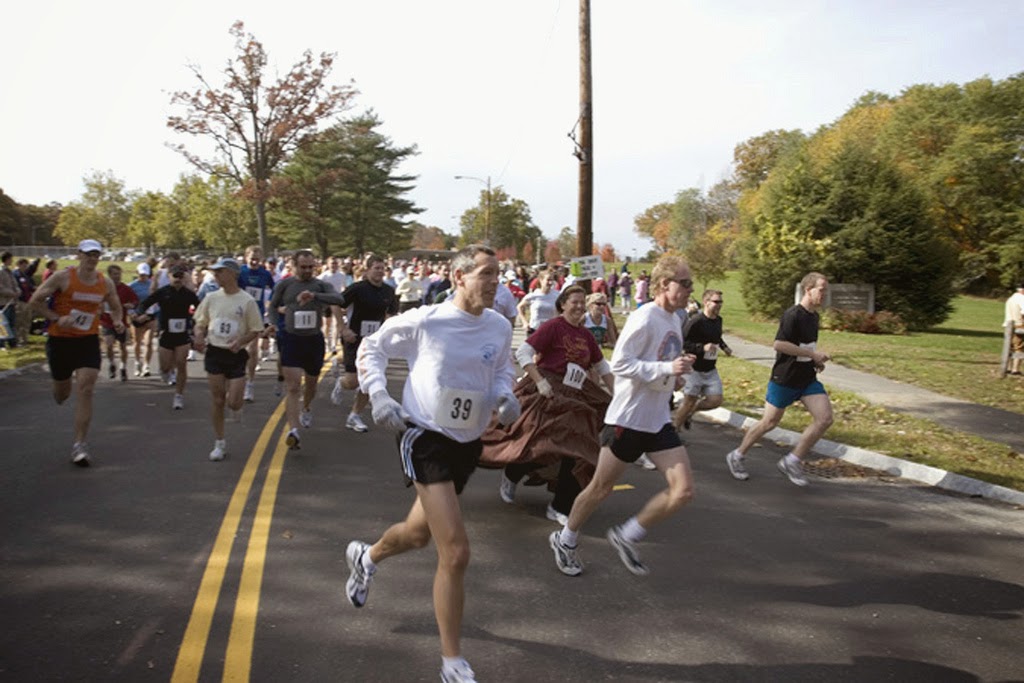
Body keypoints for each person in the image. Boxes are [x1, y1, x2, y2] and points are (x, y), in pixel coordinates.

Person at [343, 245, 518, 683]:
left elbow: (501, 368)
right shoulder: (427, 320)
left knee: (418, 535)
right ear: (459, 278)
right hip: (424, 437)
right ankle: (452, 661)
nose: (495, 281)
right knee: (455, 552)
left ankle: (367, 556)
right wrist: (379, 394)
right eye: (486, 273)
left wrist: (506, 394)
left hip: (467, 443)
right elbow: (371, 347)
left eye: (498, 273)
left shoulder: (498, 325)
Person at [549, 254, 697, 577]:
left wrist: (676, 376)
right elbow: (621, 364)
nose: (689, 289)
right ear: (663, 285)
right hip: (627, 419)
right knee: (599, 488)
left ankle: (627, 535)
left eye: (691, 284)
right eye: (684, 283)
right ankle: (565, 538)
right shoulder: (645, 317)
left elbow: (660, 363)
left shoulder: (675, 319)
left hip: (657, 419)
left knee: (683, 489)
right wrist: (665, 368)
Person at [482, 285, 614, 526]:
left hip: (576, 397)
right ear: (562, 304)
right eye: (574, 301)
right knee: (539, 446)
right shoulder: (553, 327)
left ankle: (560, 506)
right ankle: (513, 473)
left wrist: (619, 397)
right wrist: (540, 381)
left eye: (582, 302)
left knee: (579, 449)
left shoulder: (585, 336)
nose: (579, 306)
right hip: (548, 392)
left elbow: (602, 367)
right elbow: (523, 352)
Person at [725, 272, 833, 486]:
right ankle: (737, 455)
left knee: (825, 418)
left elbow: (805, 347)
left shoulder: (814, 317)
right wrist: (812, 355)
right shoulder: (792, 315)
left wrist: (814, 361)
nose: (824, 294)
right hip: (785, 378)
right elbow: (779, 344)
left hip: (807, 379)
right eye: (821, 290)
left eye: (825, 290)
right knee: (769, 422)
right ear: (808, 289)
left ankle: (792, 461)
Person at [28, 239, 125, 466]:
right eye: (89, 254)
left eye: (96, 255)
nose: (93, 259)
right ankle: (60, 386)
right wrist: (56, 318)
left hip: (87, 341)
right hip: (60, 340)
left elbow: (116, 305)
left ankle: (79, 445)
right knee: (62, 393)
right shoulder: (63, 278)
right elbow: (35, 301)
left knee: (86, 387)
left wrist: (118, 321)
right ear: (79, 254)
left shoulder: (105, 282)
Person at [191, 257, 266, 461]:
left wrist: (240, 342)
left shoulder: (246, 300)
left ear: (233, 274)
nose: (216, 275)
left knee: (233, 402)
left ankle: (237, 407)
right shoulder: (211, 297)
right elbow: (200, 322)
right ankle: (219, 442)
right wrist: (198, 334)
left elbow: (255, 330)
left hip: (235, 355)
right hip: (215, 352)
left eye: (220, 272)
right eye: (214, 272)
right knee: (217, 399)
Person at [270, 250, 338, 449]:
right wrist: (274, 324)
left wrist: (315, 295)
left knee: (311, 385)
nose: (308, 270)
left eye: (311, 267)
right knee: (292, 387)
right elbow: (273, 307)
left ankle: (306, 407)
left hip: (313, 340)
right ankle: (294, 430)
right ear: (294, 266)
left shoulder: (320, 284)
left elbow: (339, 299)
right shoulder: (285, 284)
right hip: (291, 339)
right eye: (303, 267)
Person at [331, 253, 399, 432]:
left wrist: (388, 334)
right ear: (368, 270)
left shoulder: (388, 291)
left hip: (373, 342)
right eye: (376, 268)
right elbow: (335, 304)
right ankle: (341, 382)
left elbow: (391, 315)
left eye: (382, 269)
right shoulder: (357, 289)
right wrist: (342, 328)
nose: (380, 272)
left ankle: (355, 415)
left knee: (368, 379)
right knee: (353, 381)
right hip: (353, 338)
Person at [135, 263, 200, 410]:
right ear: (169, 277)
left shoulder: (188, 294)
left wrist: (197, 324)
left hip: (182, 333)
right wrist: (140, 314)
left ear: (184, 278)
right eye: (174, 276)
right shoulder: (163, 292)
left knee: (181, 363)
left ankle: (179, 396)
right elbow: (145, 304)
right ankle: (166, 372)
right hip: (166, 333)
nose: (177, 279)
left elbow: (200, 308)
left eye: (180, 276)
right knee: (165, 367)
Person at [672, 289, 733, 431]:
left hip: (710, 368)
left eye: (721, 302)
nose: (719, 305)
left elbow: (717, 338)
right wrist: (702, 347)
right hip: (694, 368)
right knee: (688, 401)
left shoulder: (718, 320)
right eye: (716, 302)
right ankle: (674, 430)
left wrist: (724, 347)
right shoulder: (696, 321)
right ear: (706, 302)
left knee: (715, 400)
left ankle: (690, 412)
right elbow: (683, 342)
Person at [238, 246, 276, 403]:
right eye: (252, 258)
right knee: (238, 348)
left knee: (253, 350)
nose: (254, 261)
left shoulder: (265, 274)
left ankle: (250, 383)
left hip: (256, 314)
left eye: (257, 259)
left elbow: (274, 291)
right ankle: (237, 379)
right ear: (246, 257)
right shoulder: (240, 272)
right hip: (239, 314)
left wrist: (270, 305)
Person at [99, 264, 139, 382]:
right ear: (110, 275)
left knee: (123, 346)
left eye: (119, 274)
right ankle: (112, 363)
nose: (118, 276)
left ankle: (123, 367)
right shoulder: (103, 288)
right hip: (106, 321)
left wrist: (131, 305)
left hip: (121, 322)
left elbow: (135, 300)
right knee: (109, 344)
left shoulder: (125, 288)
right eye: (115, 274)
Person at [128, 263, 157, 376]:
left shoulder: (153, 285)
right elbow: (128, 302)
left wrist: (149, 314)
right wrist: (132, 313)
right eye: (141, 274)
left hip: (150, 316)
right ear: (137, 273)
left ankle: (146, 365)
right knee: (137, 342)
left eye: (145, 274)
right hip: (136, 316)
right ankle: (137, 362)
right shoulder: (132, 286)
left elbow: (156, 301)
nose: (143, 276)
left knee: (149, 342)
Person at [318, 256, 347, 353]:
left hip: (336, 301)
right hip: (326, 302)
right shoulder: (323, 276)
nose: (333, 265)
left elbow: (344, 287)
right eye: (332, 263)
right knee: (326, 323)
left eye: (335, 263)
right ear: (328, 264)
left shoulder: (342, 275)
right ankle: (326, 343)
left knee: (337, 323)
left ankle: (334, 344)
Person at [516, 269, 558, 334]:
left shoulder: (557, 295)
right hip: (534, 329)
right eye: (548, 280)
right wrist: (524, 322)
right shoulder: (534, 295)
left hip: (551, 330)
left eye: (552, 280)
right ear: (541, 280)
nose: (550, 283)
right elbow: (519, 307)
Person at [13, 257, 40, 346]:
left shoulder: (25, 275)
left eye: (26, 265)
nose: (25, 267)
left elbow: (29, 286)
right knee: (19, 321)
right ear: (19, 265)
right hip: (20, 301)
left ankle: (24, 339)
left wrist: (35, 289)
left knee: (27, 321)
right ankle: (18, 340)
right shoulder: (15, 274)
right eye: (23, 265)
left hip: (28, 301)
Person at [0, 252, 19, 349]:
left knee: (12, 323)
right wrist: (11, 293)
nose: (12, 260)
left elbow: (14, 284)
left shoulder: (9, 272)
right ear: (6, 259)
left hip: (11, 302)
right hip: (3, 302)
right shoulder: (1, 271)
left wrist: (18, 291)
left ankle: (12, 343)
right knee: (3, 324)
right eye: (11, 258)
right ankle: (1, 344)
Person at [1005, 282, 1024, 375]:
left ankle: (1007, 366)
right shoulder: (1022, 299)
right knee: (1019, 347)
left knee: (1009, 346)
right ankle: (1015, 369)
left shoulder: (1011, 299)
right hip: (1019, 325)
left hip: (1009, 325)